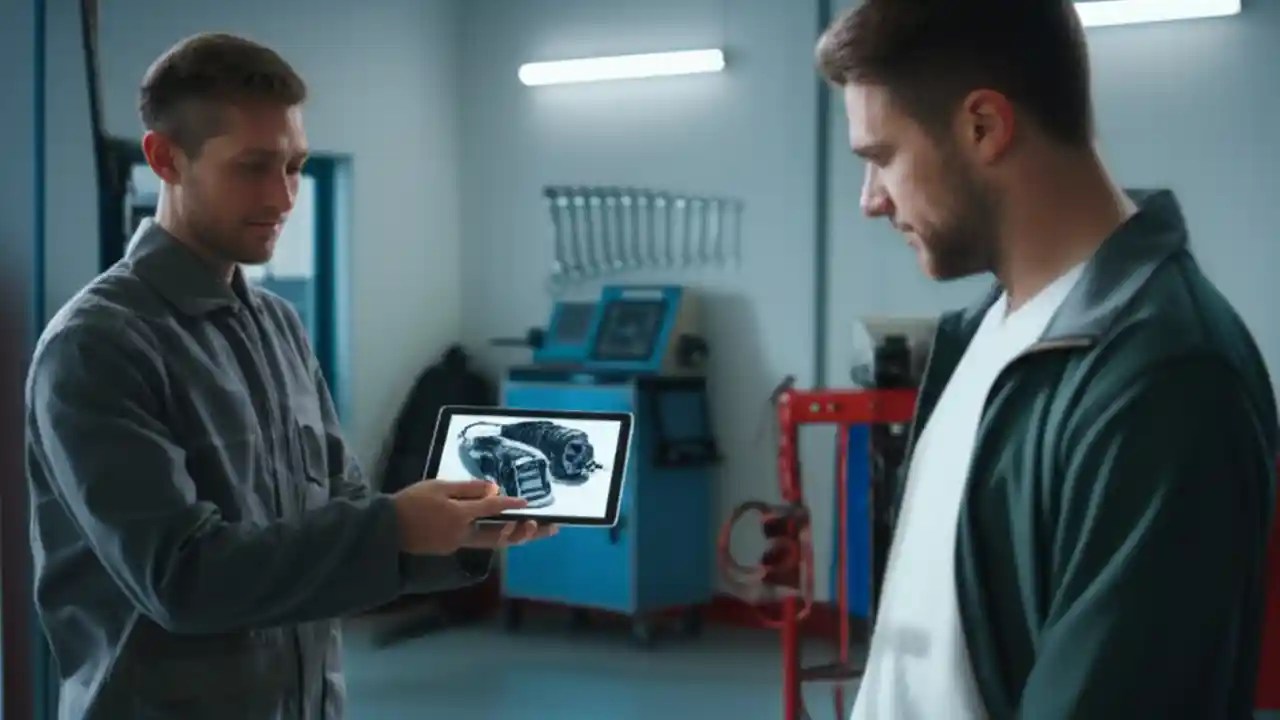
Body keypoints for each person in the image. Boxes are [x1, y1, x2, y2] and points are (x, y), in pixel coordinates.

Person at [25, 32, 555, 720]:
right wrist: (395, 527)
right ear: (165, 159)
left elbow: (340, 518)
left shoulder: (278, 325)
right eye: (253, 167)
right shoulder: (97, 346)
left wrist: (455, 532)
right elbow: (183, 579)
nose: (283, 198)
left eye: (296, 167)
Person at [816, 2, 1278, 718]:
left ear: (983, 127)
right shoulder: (989, 334)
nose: (870, 201)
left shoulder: (1162, 381)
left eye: (881, 158)